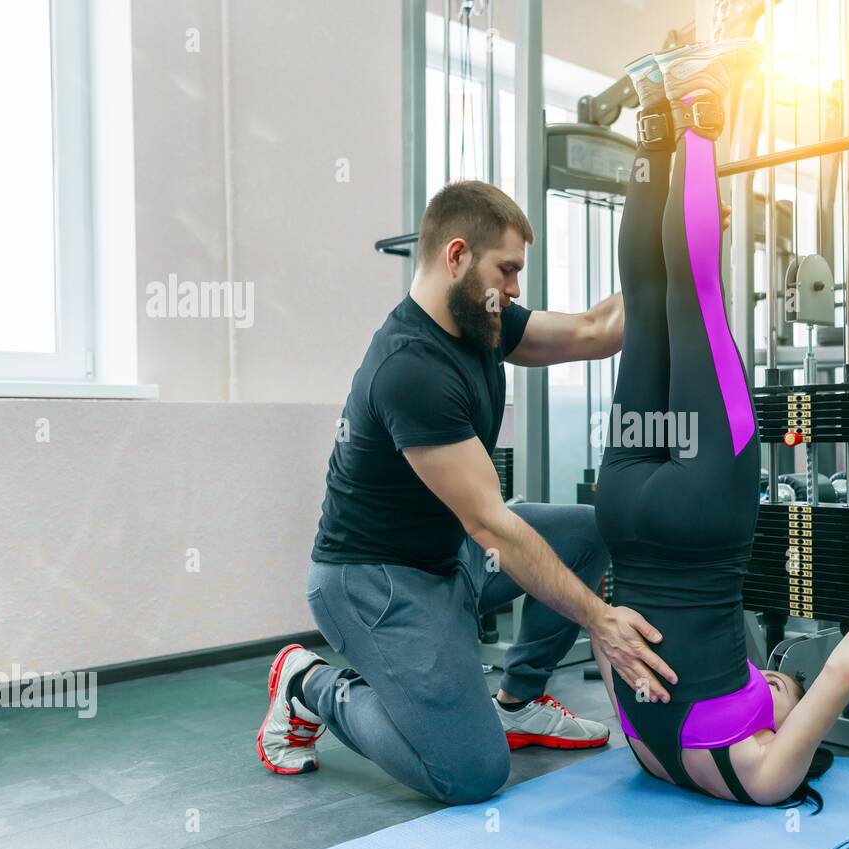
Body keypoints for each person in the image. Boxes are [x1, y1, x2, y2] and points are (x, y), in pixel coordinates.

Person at [256, 179, 678, 805]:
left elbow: (595, 331)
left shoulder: (481, 321)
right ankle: (310, 684)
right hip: (375, 582)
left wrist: (677, 253)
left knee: (590, 531)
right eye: (506, 270)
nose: (514, 289)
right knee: (471, 774)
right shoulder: (411, 368)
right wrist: (599, 620)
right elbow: (492, 525)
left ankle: (518, 700)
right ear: (457, 256)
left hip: (449, 555)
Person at [590, 39, 849, 809]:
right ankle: (653, 117)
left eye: (778, 686)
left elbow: (837, 676)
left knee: (694, 293)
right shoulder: (646, 748)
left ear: (781, 725)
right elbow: (615, 650)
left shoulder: (766, 775)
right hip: (625, 513)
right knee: (648, 300)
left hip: (701, 514)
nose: (777, 679)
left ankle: (701, 106)